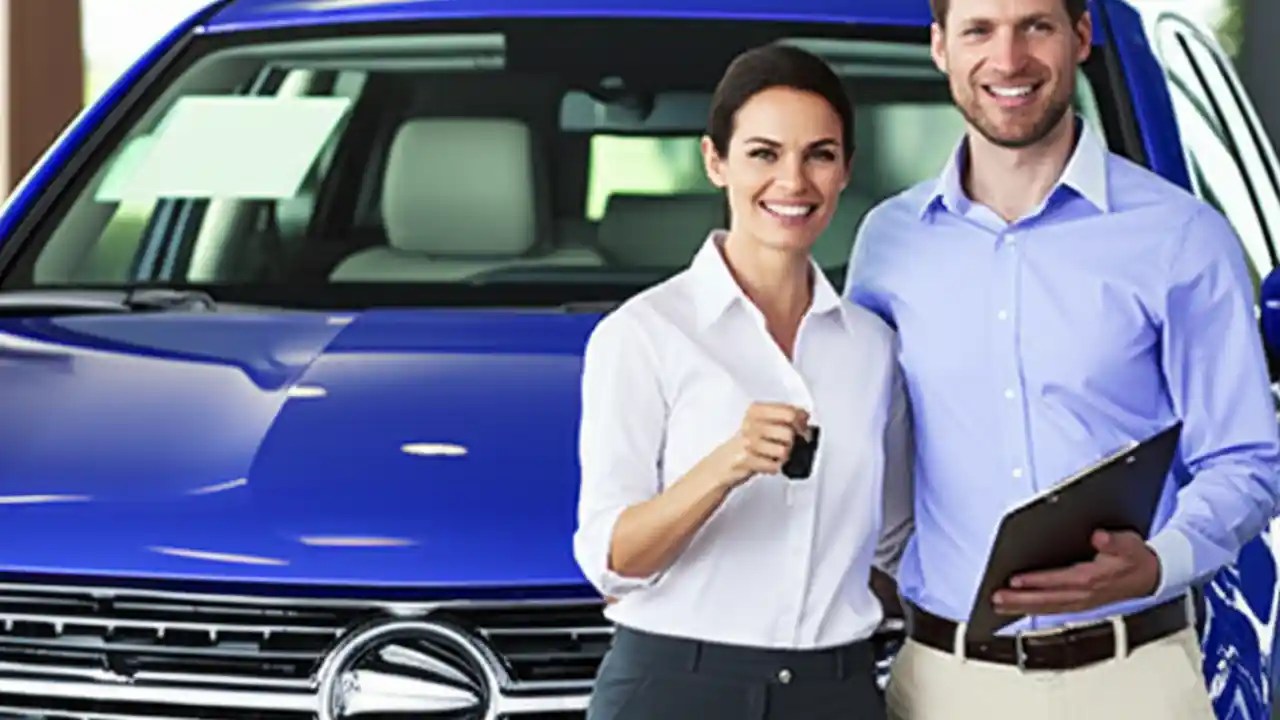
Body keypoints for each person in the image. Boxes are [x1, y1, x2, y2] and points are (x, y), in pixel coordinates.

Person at [843, 0, 1280, 717]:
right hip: (945, 684)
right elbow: (868, 447)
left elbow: (1246, 460)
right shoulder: (889, 243)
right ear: (940, 47)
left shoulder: (1181, 237)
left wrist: (1157, 561)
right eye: (979, 30)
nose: (1008, 59)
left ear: (1080, 37)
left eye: (1035, 26)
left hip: (1136, 677)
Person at [572, 43, 912, 720]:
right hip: (674, 688)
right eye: (763, 153)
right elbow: (612, 561)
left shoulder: (874, 349)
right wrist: (726, 465)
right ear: (714, 160)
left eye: (819, 154)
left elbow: (895, 544)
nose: (794, 181)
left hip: (835, 690)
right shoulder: (644, 334)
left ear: (846, 170)